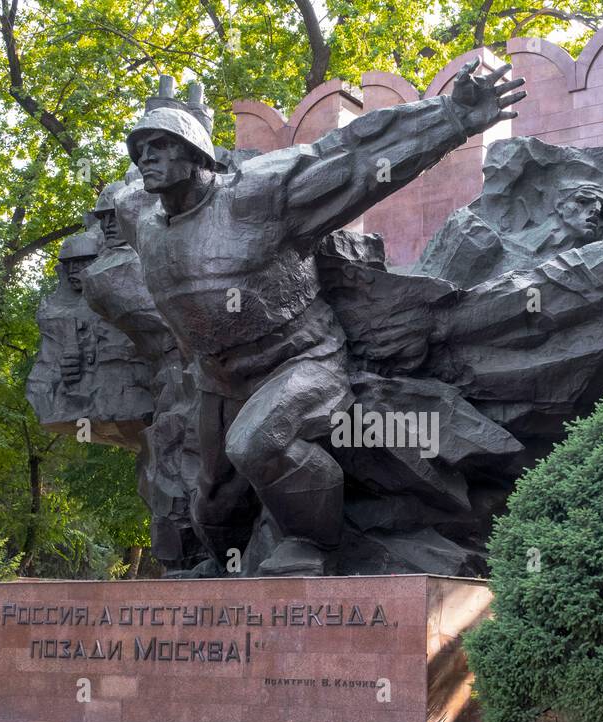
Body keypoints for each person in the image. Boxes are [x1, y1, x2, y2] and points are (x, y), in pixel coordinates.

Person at [121, 62, 526, 575]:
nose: (145, 159)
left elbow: (353, 158)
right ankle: (226, 570)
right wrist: (180, 116)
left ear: (196, 151)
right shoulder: (140, 216)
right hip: (217, 379)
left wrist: (452, 115)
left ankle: (314, 545)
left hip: (299, 361)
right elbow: (120, 194)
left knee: (258, 444)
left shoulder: (259, 197)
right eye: (139, 150)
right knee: (214, 499)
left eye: (160, 146)